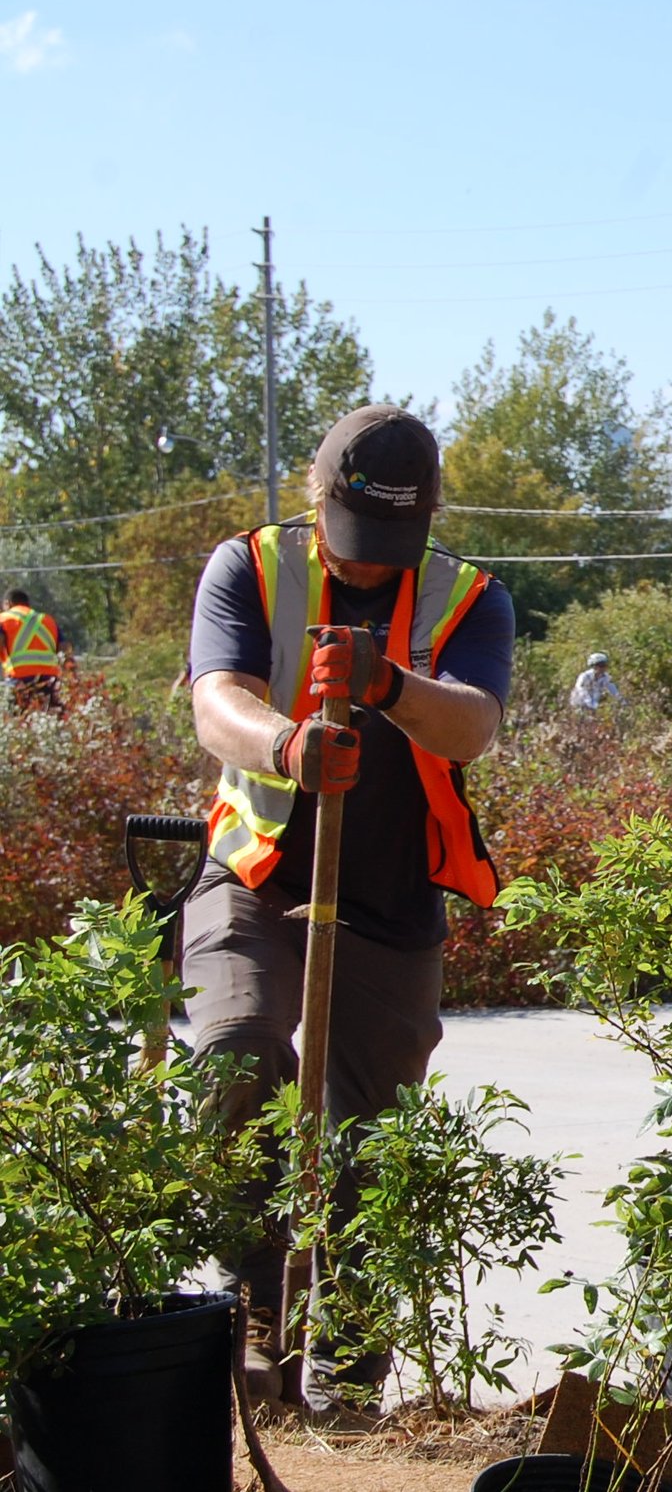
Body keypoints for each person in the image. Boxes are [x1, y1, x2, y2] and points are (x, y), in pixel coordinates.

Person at [182, 404, 514, 1408]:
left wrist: (384, 683)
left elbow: (472, 728)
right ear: (316, 499)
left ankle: (350, 1375)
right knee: (237, 1047)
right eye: (353, 538)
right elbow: (216, 699)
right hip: (257, 873)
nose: (369, 565)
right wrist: (286, 746)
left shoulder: (472, 599)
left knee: (374, 1147)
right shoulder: (249, 568)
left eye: (392, 546)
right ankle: (253, 1310)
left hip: (392, 901)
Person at [1, 587, 66, 712]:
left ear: (8, 603)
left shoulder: (4, 619)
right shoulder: (48, 620)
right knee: (49, 718)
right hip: (49, 681)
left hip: (19, 680)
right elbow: (65, 650)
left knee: (17, 722)